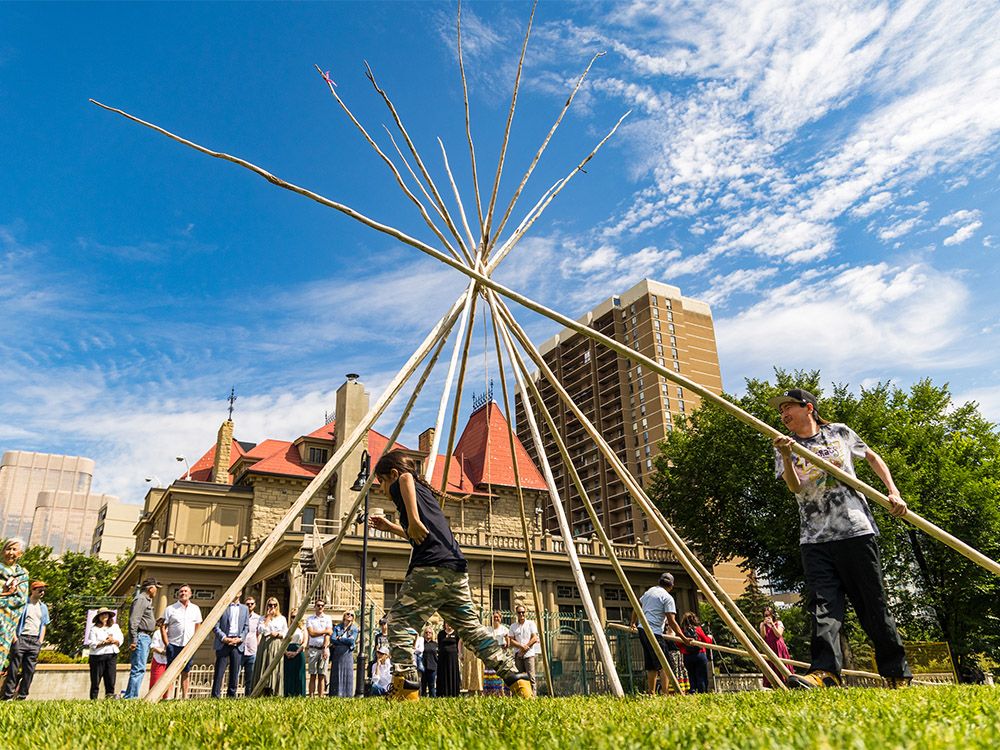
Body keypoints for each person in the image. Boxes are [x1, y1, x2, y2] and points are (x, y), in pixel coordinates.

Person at [771, 388, 913, 689]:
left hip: (855, 531)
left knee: (871, 604)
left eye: (788, 408)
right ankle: (825, 672)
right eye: (781, 410)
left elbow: (873, 457)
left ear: (808, 407)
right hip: (814, 538)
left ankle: (896, 672)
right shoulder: (785, 445)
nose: (783, 414)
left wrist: (893, 491)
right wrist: (786, 455)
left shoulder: (839, 432)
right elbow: (795, 488)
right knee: (824, 605)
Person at [369, 450, 531, 701]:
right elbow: (420, 535)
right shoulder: (424, 496)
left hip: (430, 568)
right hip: (455, 569)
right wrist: (393, 527)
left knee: (400, 622)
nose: (380, 489)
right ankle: (517, 681)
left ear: (392, 474)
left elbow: (405, 480)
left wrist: (411, 518)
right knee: (473, 631)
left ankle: (405, 686)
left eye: (381, 482)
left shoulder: (404, 483)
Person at [630, 572, 691, 695]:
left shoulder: (649, 592)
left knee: (651, 665)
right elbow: (672, 622)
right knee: (665, 664)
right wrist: (684, 638)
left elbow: (637, 606)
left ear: (659, 582)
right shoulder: (667, 598)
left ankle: (651, 693)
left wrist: (633, 623)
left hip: (643, 630)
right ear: (672, 586)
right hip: (654, 632)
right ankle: (665, 693)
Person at [1, 580, 50, 700]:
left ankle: (22, 696)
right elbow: (13, 621)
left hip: (34, 641)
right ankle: (8, 695)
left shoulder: (43, 607)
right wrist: (15, 639)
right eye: (40, 590)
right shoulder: (23, 604)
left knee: (29, 671)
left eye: (43, 590)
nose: (42, 592)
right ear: (33, 590)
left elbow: (43, 625)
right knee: (13, 669)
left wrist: (40, 642)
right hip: (21, 638)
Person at [161, 584, 203, 700]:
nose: (183, 593)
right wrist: (167, 644)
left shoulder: (195, 609)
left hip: (188, 646)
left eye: (185, 591)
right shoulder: (170, 609)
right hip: (174, 645)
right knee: (170, 673)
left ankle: (184, 697)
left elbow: (198, 626)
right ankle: (168, 697)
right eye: (181, 591)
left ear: (190, 594)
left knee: (186, 672)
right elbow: (163, 627)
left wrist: (195, 643)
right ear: (178, 594)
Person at [124, 577, 160, 699]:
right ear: (150, 588)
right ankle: (131, 698)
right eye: (156, 588)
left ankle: (131, 696)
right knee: (138, 669)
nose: (156, 591)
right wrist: (134, 640)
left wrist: (155, 623)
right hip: (140, 637)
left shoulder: (146, 600)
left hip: (145, 636)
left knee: (140, 668)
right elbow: (134, 621)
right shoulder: (141, 600)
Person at [212, 592, 249, 698]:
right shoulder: (223, 606)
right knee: (219, 671)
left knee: (234, 672)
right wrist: (224, 638)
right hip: (224, 641)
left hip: (237, 643)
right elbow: (215, 625)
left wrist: (240, 638)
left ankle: (231, 696)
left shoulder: (244, 609)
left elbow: (246, 627)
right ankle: (215, 696)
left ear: (240, 593)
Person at [0, 538, 29, 673]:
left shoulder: (22, 575)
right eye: (8, 548)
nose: (10, 552)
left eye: (14, 549)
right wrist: (7, 594)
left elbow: (21, 600)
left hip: (6, 625)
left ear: (20, 554)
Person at [252, 597, 287, 696]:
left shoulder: (282, 618)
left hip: (276, 643)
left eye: (275, 605)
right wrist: (268, 618)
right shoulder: (262, 618)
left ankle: (274, 691)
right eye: (270, 605)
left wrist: (278, 634)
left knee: (275, 668)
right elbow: (260, 630)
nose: (272, 607)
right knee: (263, 665)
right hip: (265, 644)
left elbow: (285, 632)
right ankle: (261, 691)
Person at [87, 608, 123, 700]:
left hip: (111, 655)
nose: (104, 616)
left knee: (110, 679)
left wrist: (114, 641)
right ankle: (93, 699)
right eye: (102, 615)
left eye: (106, 614)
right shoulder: (94, 629)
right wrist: (103, 643)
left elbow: (120, 639)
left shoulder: (115, 627)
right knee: (95, 680)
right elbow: (91, 643)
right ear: (98, 617)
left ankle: (110, 697)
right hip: (97, 657)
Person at [507, 606, 541, 696]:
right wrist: (521, 646)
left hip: (529, 655)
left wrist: (526, 647)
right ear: (516, 614)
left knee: (531, 677)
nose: (521, 614)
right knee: (519, 677)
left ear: (525, 613)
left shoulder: (531, 624)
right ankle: (520, 696)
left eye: (523, 612)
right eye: (519, 612)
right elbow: (511, 640)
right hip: (518, 655)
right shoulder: (513, 626)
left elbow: (534, 638)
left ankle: (533, 698)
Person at [759, 606, 794, 688]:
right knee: (770, 665)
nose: (767, 617)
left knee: (782, 663)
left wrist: (772, 625)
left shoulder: (779, 623)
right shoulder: (762, 624)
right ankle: (771, 683)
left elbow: (778, 634)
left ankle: (786, 681)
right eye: (765, 615)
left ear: (772, 615)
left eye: (769, 615)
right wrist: (764, 625)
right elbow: (763, 636)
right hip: (769, 647)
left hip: (779, 647)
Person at [678, 612, 711, 694]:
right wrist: (710, 637)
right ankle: (702, 693)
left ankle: (693, 692)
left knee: (691, 676)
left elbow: (677, 644)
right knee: (701, 676)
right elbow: (707, 641)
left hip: (687, 656)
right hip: (700, 654)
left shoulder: (682, 631)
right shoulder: (698, 629)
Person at [306, 599, 332, 697]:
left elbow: (329, 634)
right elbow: (311, 633)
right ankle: (311, 696)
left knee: (322, 675)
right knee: (313, 674)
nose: (320, 607)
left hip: (323, 649)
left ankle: (321, 696)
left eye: (322, 605)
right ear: (315, 607)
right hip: (313, 648)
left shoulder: (328, 618)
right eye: (318, 605)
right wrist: (324, 631)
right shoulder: (310, 619)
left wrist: (325, 648)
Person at [328, 611, 358, 697]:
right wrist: (345, 641)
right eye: (348, 614)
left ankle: (347, 695)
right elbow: (333, 639)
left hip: (347, 653)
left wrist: (340, 639)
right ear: (344, 616)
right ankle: (335, 694)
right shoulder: (338, 627)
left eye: (352, 615)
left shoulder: (354, 628)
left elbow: (352, 640)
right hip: (337, 653)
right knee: (337, 673)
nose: (349, 616)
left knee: (347, 674)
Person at [483, 610, 509, 695]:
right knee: (490, 674)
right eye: (494, 617)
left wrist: (506, 645)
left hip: (500, 653)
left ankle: (499, 693)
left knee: (498, 674)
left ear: (500, 618)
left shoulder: (504, 629)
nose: (496, 619)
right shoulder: (488, 629)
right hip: (490, 654)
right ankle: (489, 693)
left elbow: (508, 640)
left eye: (497, 617)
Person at [241, 595, 260, 696]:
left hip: (252, 649)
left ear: (254, 605)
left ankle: (248, 696)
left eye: (251, 604)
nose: (249, 606)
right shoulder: (241, 616)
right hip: (240, 649)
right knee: (235, 675)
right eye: (247, 604)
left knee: (250, 678)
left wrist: (258, 644)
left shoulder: (258, 618)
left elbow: (259, 633)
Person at [283, 621, 307, 697]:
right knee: (289, 674)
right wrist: (286, 652)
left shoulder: (303, 629)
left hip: (298, 652)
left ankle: (299, 694)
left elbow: (304, 643)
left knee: (299, 674)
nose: (294, 619)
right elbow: (282, 641)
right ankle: (288, 693)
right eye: (292, 616)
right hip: (288, 651)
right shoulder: (286, 628)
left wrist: (296, 652)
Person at [436, 623, 460, 697]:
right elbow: (439, 645)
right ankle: (442, 693)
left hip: (453, 659)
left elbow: (458, 644)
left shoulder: (456, 633)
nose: (449, 624)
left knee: (453, 674)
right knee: (443, 674)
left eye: (450, 622)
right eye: (447, 623)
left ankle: (453, 694)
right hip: (443, 659)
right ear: (445, 624)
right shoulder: (441, 634)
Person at [149, 617, 168, 691]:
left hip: (169, 661)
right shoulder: (157, 633)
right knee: (155, 682)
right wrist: (164, 652)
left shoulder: (173, 633)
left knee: (167, 683)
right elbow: (154, 647)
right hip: (159, 660)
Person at [420, 626, 438, 697]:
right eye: (426, 632)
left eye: (430, 632)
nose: (428, 634)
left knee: (432, 686)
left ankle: (432, 701)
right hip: (423, 667)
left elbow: (437, 656)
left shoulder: (435, 644)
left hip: (432, 667)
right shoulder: (421, 644)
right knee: (423, 685)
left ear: (432, 634)